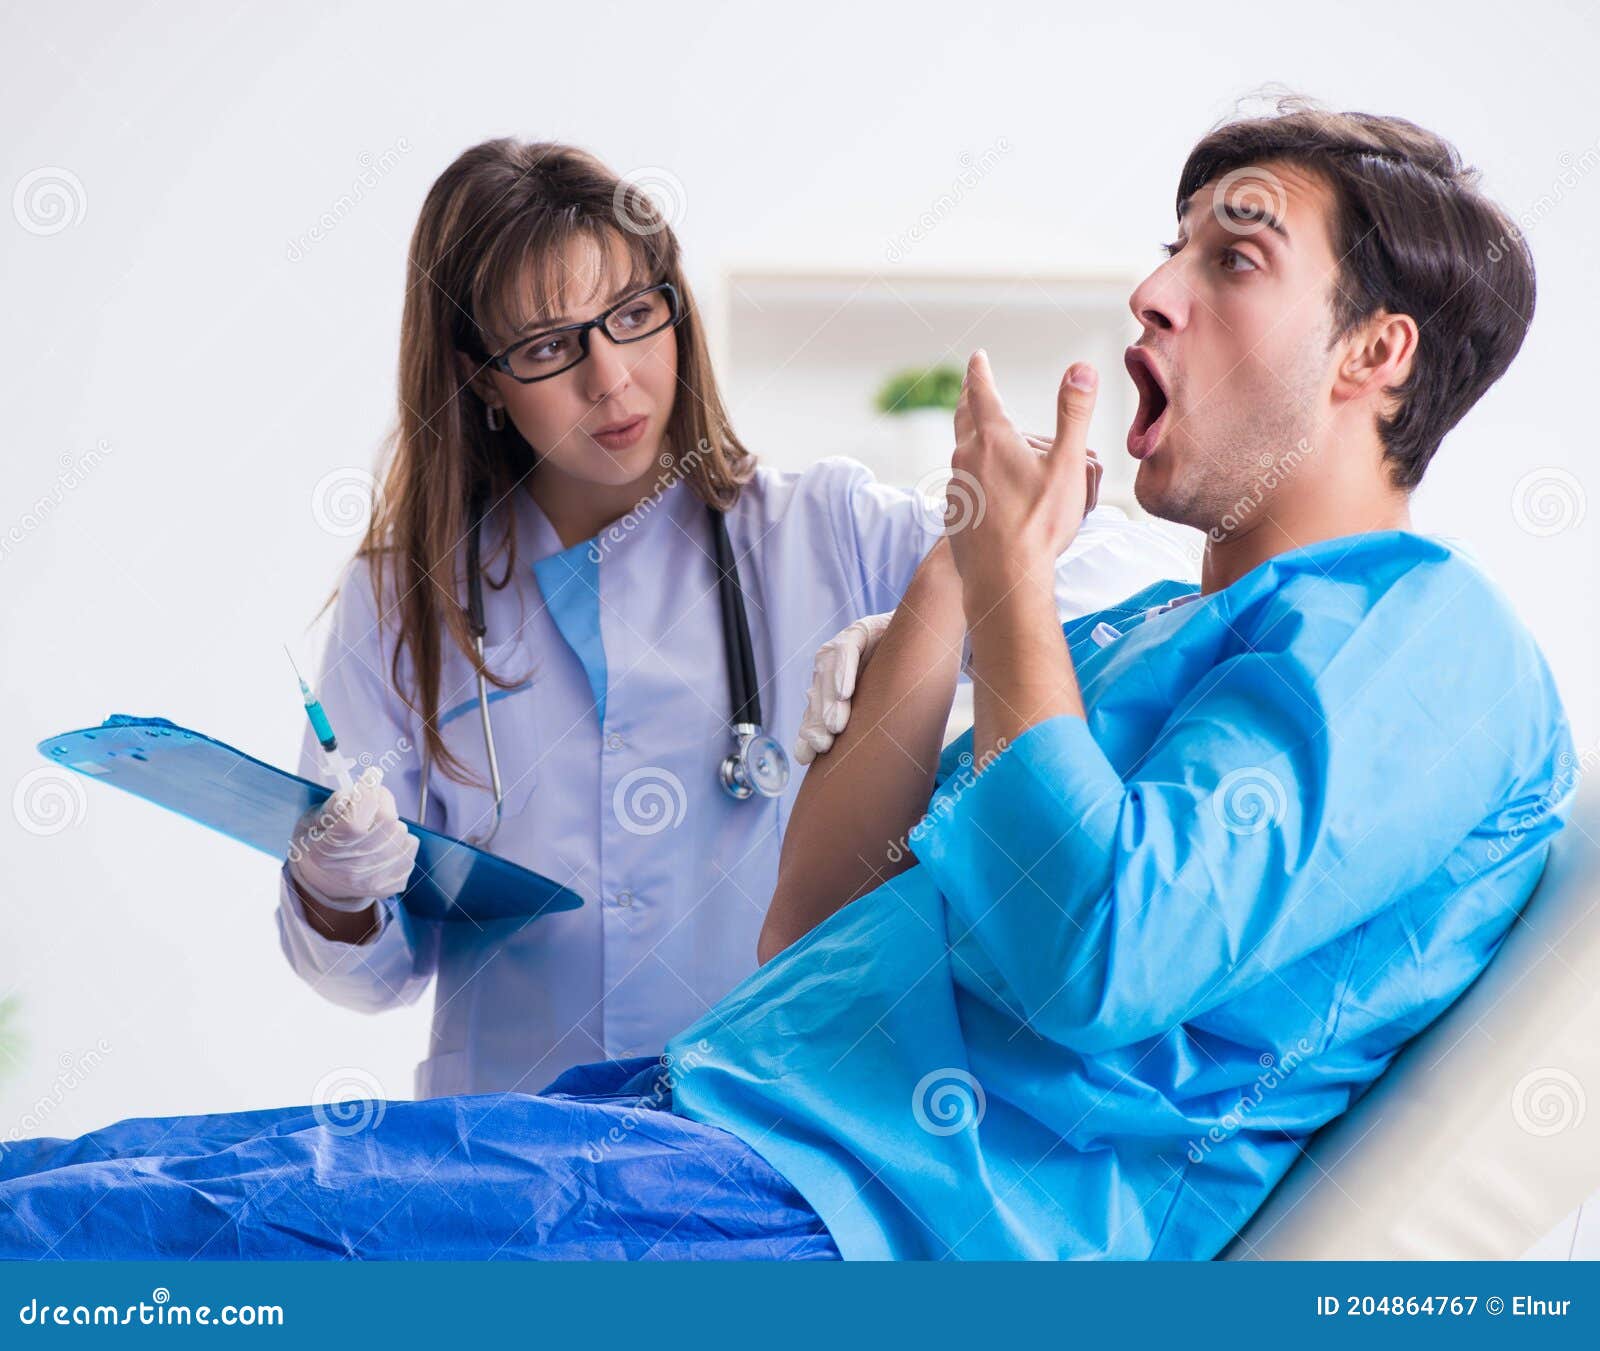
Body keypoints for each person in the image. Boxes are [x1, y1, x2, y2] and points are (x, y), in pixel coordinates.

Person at [0, 100, 1574, 1262]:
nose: (1152, 290)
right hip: (695, 1123)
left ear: (1375, 353)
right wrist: (951, 594)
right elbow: (810, 920)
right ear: (485, 380)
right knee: (83, 1188)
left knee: (90, 1249)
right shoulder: (1133, 643)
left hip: (840, 1209)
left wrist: (1004, 579)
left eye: (1230, 255)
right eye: (1169, 246)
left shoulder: (1422, 639)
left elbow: (1102, 949)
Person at [277, 139, 1193, 1100]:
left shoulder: (819, 527)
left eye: (635, 316)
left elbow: (1124, 575)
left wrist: (947, 583)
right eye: (550, 347)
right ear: (481, 380)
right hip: (510, 1147)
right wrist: (336, 892)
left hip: (756, 1140)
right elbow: (369, 974)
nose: (612, 379)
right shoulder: (405, 601)